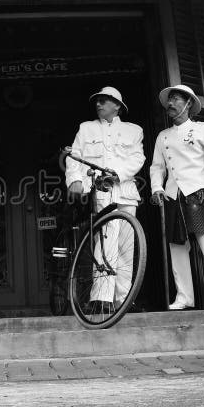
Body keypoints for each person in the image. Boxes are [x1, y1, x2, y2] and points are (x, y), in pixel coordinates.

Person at [150, 84, 204, 311]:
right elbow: (157, 166)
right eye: (169, 99)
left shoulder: (203, 129)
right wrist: (156, 187)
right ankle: (184, 297)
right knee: (176, 247)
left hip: (199, 192)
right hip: (172, 195)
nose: (170, 103)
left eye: (176, 98)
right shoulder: (163, 136)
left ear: (188, 103)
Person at [65, 86, 146, 312]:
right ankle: (102, 298)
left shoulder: (134, 130)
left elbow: (137, 158)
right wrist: (75, 179)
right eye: (97, 101)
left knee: (126, 247)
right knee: (106, 240)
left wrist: (116, 172)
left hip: (126, 191)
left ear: (117, 106)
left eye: (104, 101)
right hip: (101, 191)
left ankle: (124, 300)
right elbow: (75, 157)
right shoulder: (86, 128)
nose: (99, 104)